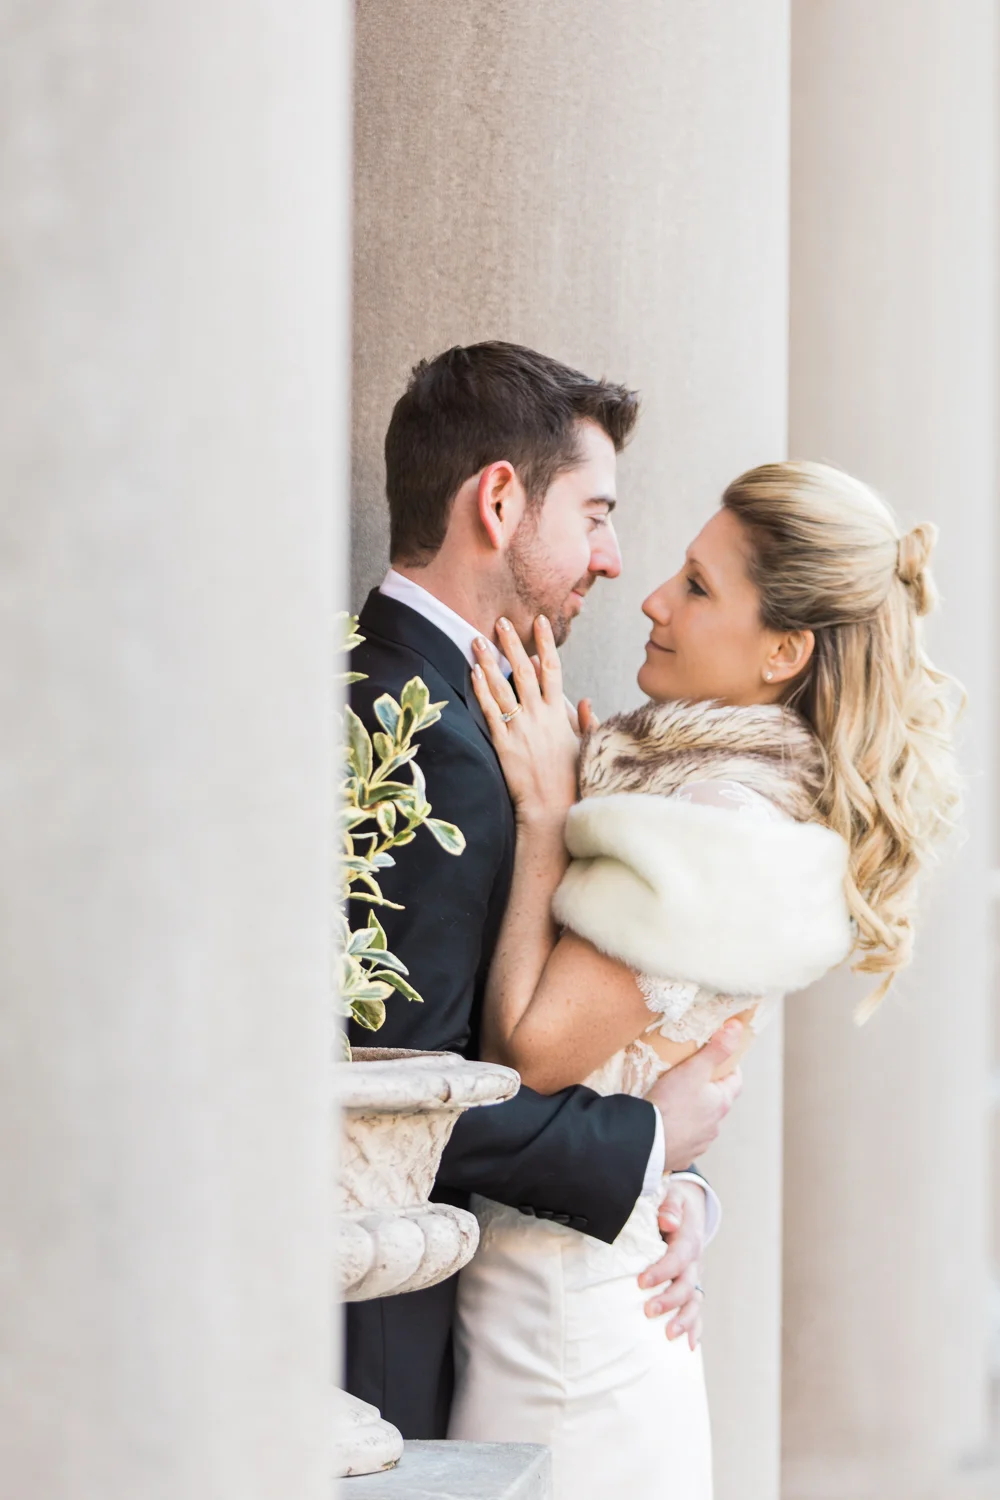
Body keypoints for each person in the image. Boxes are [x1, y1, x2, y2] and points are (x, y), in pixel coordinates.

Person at [451, 460, 961, 1499]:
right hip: (573, 1289)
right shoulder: (694, 791)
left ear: (784, 650)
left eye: (695, 584)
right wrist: (675, 1179)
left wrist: (550, 818)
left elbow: (532, 1051)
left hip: (564, 1337)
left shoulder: (722, 823)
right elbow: (647, 1059)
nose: (649, 599)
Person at [344, 342, 743, 1439]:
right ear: (500, 499)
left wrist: (672, 1181)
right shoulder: (422, 743)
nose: (614, 561)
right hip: (377, 1334)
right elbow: (398, 1092)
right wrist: (642, 1145)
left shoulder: (462, 709)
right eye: (597, 514)